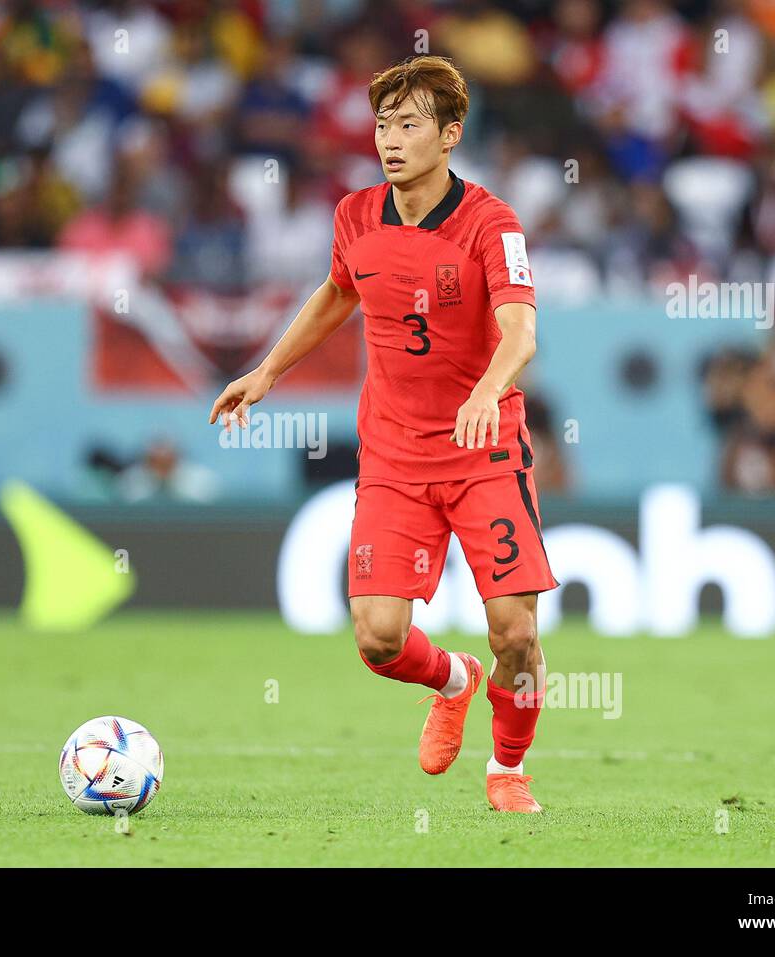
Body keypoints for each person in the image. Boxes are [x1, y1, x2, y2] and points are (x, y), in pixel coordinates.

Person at [209, 56, 556, 813]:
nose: (390, 140)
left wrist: (488, 391)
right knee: (377, 636)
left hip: (482, 449)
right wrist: (267, 371)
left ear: (450, 135)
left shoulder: (492, 224)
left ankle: (508, 768)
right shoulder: (355, 215)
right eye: (382, 125)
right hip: (395, 453)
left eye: (409, 125)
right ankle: (455, 681)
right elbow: (339, 292)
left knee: (517, 634)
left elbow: (521, 332)